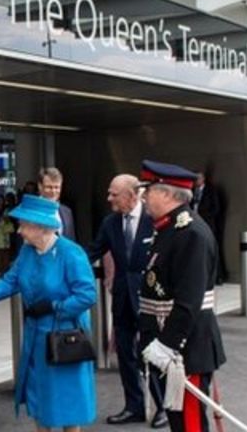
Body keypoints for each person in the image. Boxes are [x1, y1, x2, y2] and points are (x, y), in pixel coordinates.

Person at [0, 193, 97, 431]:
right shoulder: (27, 252)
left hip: (65, 339)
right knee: (40, 400)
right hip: (37, 336)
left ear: (42, 228)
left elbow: (87, 295)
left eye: (24, 226)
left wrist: (55, 306)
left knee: (67, 404)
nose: (19, 231)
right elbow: (10, 282)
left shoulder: (71, 253)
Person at [136, 160, 226, 432]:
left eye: (148, 190)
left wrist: (167, 344)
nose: (144, 197)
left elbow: (189, 299)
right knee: (178, 419)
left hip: (185, 346)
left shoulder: (191, 233)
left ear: (166, 193)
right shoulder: (168, 228)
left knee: (189, 423)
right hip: (170, 344)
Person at [86, 174, 166, 429]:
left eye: (114, 194)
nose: (109, 198)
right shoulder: (110, 223)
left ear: (132, 195)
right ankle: (134, 406)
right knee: (126, 354)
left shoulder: (154, 220)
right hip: (122, 299)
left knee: (153, 354)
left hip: (150, 299)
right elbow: (93, 251)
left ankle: (164, 406)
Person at [192, 171, 225, 284]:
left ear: (203, 179)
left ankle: (218, 276)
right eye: (194, 179)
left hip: (208, 224)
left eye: (198, 178)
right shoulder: (192, 192)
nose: (196, 181)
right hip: (195, 224)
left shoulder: (210, 191)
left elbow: (216, 208)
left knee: (213, 250)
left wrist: (204, 216)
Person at [38, 168, 76, 242]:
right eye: (49, 187)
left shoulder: (67, 212)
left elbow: (71, 242)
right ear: (40, 186)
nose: (53, 191)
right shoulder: (30, 210)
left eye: (57, 187)